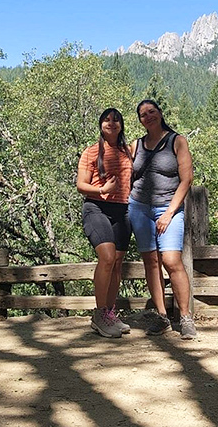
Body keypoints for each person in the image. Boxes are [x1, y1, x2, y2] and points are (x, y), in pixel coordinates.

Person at [128, 99, 197, 340]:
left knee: (171, 260)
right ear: (140, 120)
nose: (148, 117)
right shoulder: (137, 145)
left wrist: (169, 212)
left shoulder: (177, 141)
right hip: (139, 207)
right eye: (143, 114)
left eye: (152, 112)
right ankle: (161, 316)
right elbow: (121, 167)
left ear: (160, 113)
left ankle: (186, 317)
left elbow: (186, 180)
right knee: (151, 262)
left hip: (168, 209)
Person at [77, 108, 133, 338]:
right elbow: (81, 185)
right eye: (107, 119)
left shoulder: (129, 151)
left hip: (123, 210)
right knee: (107, 257)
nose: (112, 123)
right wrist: (102, 189)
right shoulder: (90, 152)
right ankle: (99, 315)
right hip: (96, 207)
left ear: (121, 125)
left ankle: (110, 314)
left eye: (116, 119)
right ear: (100, 124)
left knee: (118, 263)